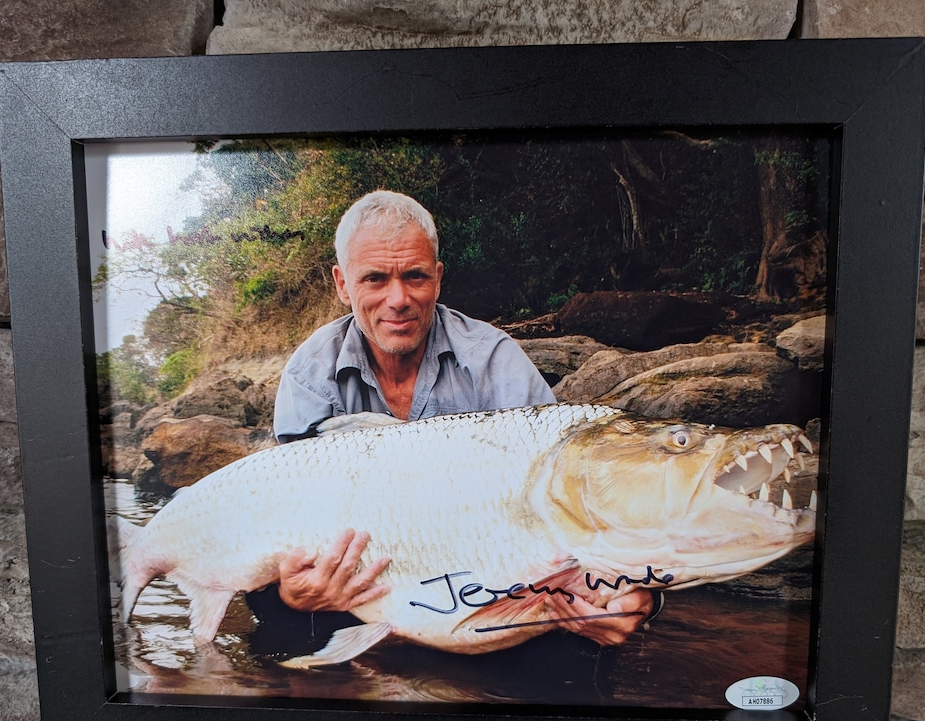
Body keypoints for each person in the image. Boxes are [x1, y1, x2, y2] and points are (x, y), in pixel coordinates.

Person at [247, 190, 656, 655]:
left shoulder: (495, 361)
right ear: (343, 285)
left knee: (578, 647)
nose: (397, 299)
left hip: (491, 589)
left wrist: (637, 595)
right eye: (375, 279)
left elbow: (580, 504)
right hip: (364, 592)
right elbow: (282, 521)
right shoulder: (309, 374)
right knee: (273, 616)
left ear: (438, 279)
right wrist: (290, 595)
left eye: (415, 276)